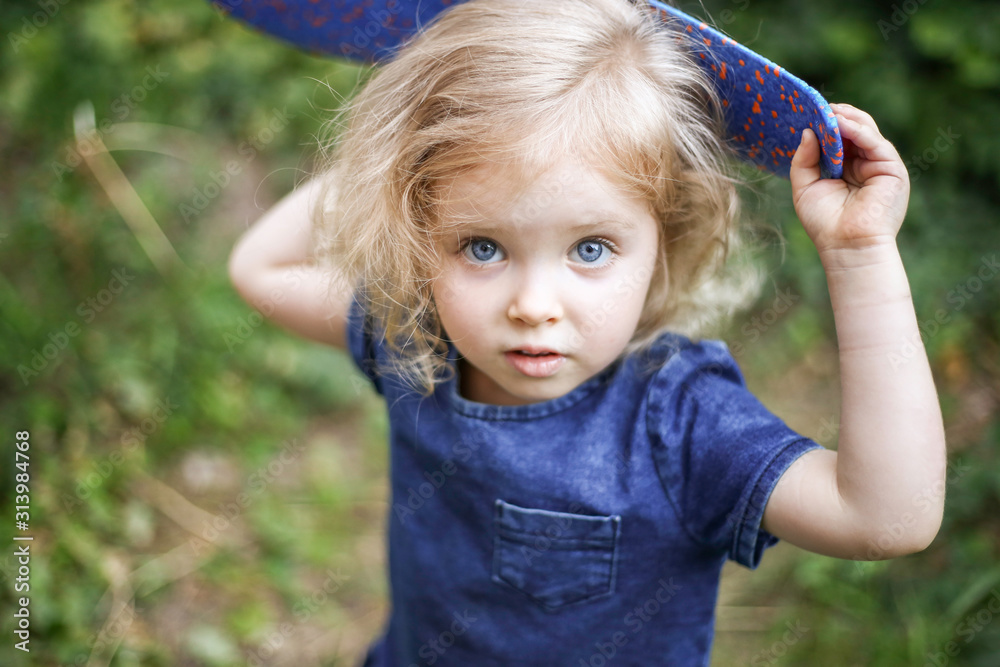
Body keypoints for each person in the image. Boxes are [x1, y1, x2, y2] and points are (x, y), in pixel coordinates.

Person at [227, 0, 947, 664]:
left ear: (664, 239)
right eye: (482, 246)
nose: (534, 305)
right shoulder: (416, 338)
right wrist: (400, 123)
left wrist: (859, 256)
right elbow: (261, 269)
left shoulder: (677, 423)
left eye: (591, 248)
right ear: (418, 234)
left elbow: (886, 516)